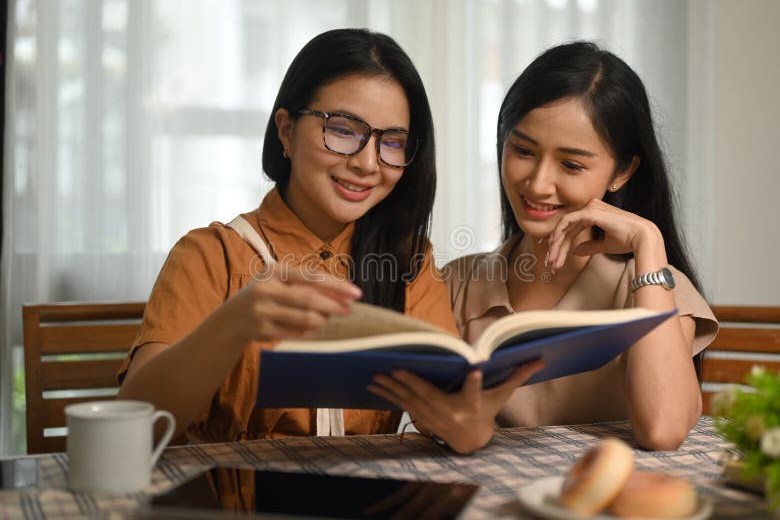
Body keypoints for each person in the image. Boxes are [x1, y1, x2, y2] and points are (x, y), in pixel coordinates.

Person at [117, 28, 541, 446]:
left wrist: (467, 426)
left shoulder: (408, 262)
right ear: (286, 130)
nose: (367, 163)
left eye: (391, 142)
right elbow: (133, 429)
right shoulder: (210, 256)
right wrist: (233, 325)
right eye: (342, 129)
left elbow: (453, 420)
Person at [373, 41, 718, 452]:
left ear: (622, 171)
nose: (537, 184)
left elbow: (662, 431)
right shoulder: (456, 283)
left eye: (571, 165)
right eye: (522, 150)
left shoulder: (654, 286)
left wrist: (649, 242)